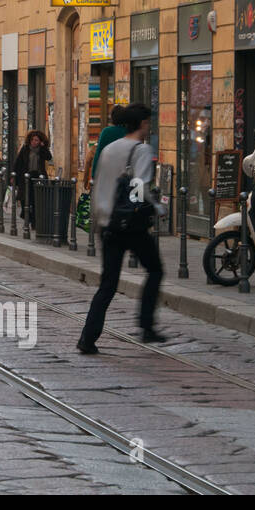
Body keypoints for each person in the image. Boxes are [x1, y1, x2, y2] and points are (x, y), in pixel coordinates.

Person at [77, 104, 167, 354]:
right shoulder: (141, 150)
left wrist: (99, 219)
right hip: (131, 225)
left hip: (109, 224)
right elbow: (139, 187)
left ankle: (87, 338)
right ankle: (146, 326)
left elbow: (99, 185)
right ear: (142, 124)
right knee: (156, 270)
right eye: (147, 123)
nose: (149, 127)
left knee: (108, 284)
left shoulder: (108, 149)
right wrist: (158, 209)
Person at [12, 130, 53, 218]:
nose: (34, 142)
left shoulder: (41, 150)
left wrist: (44, 147)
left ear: (40, 141)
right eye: (32, 140)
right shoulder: (25, 149)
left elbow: (49, 157)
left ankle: (34, 220)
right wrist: (13, 176)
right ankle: (25, 214)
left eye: (36, 140)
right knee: (25, 199)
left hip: (38, 177)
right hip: (26, 177)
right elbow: (18, 162)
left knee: (36, 199)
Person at [89, 105, 128, 183]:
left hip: (107, 175)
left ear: (112, 118)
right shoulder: (128, 132)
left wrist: (94, 175)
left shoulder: (106, 132)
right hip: (124, 175)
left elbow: (98, 154)